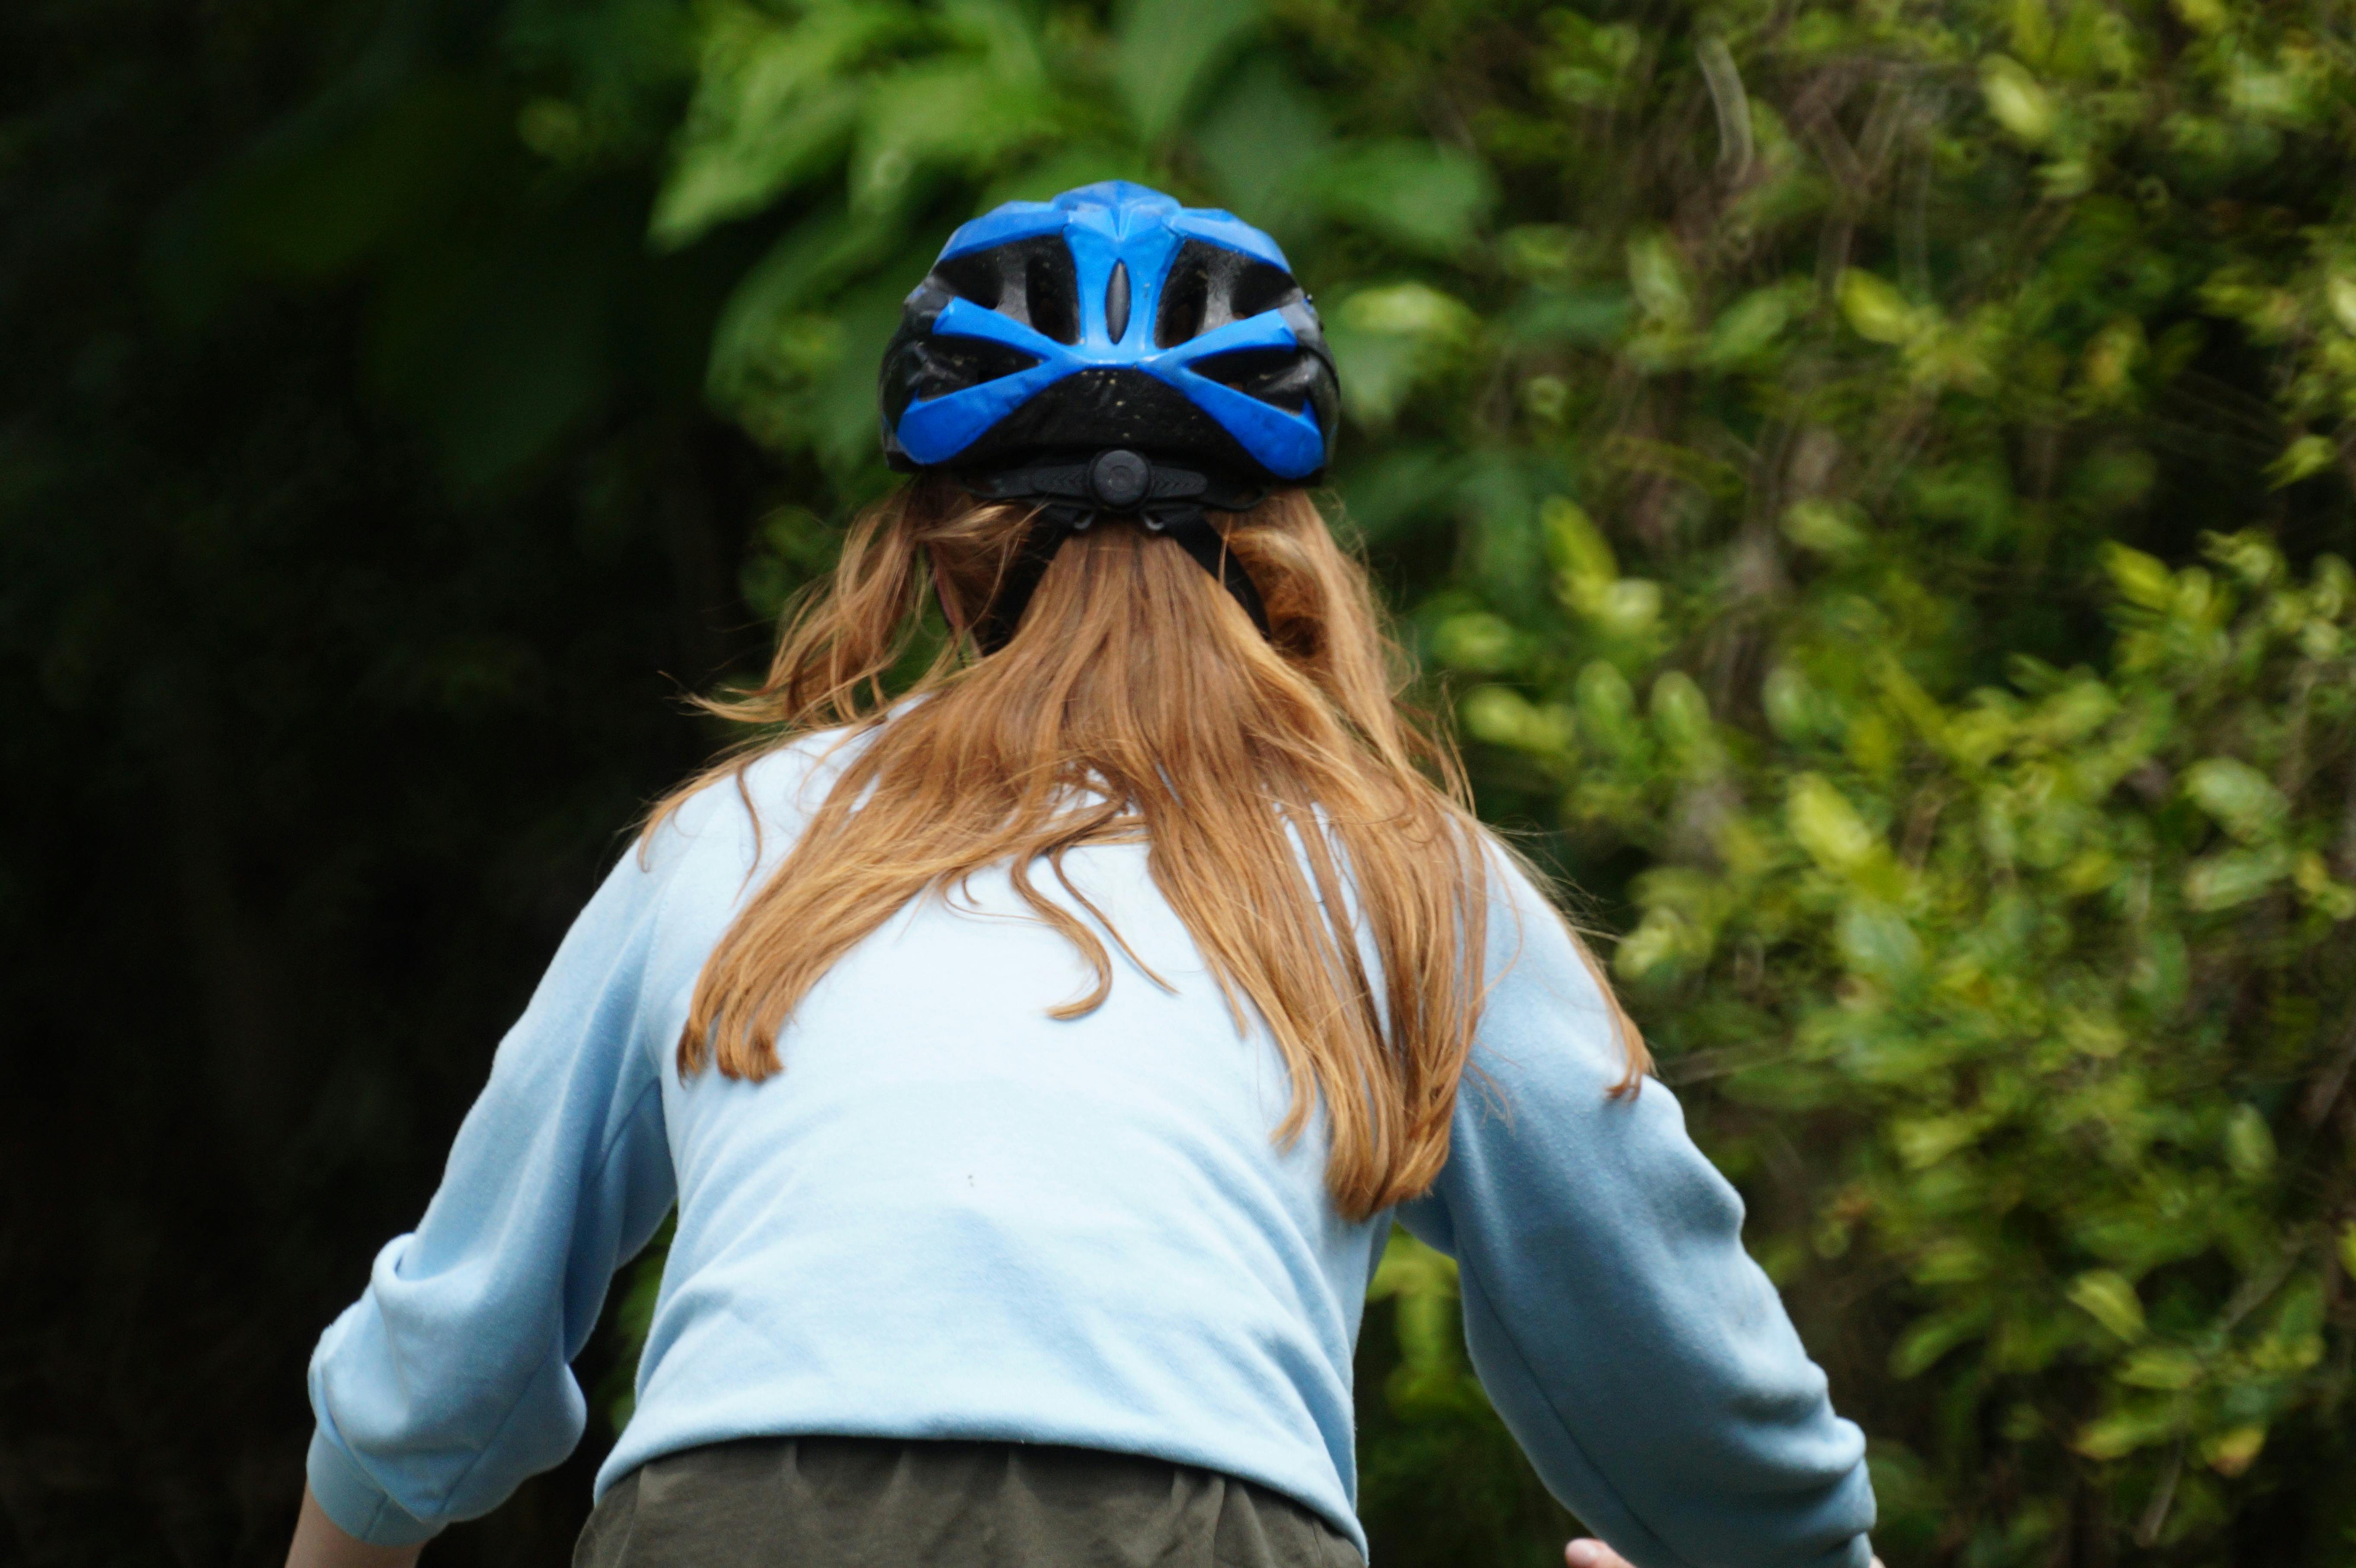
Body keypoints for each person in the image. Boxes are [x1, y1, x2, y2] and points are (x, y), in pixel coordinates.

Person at [285, 181, 1877, 1568]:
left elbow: (444, 1360)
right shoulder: (1411, 879)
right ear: (1289, 553)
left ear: (933, 549)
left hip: (731, 1513)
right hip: (1202, 1526)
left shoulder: (740, 840)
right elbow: (1671, 1353)